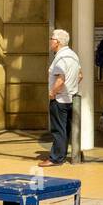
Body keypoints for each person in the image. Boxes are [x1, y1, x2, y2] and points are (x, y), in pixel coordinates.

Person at [39, 29, 81, 168]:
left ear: (57, 42)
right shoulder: (73, 55)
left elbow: (60, 79)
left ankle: (56, 158)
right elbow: (80, 75)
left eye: (52, 39)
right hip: (70, 98)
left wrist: (53, 92)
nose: (50, 41)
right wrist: (72, 87)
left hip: (59, 99)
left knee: (58, 130)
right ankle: (60, 156)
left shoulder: (61, 58)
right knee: (65, 130)